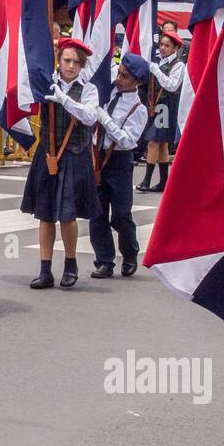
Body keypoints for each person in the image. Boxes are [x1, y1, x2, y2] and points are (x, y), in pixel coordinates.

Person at [21, 38, 100, 289]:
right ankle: (45, 270)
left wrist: (64, 99)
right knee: (44, 214)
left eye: (76, 62)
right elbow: (23, 93)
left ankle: (70, 263)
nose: (70, 66)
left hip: (74, 154)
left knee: (67, 214)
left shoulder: (88, 89)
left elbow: (89, 117)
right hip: (48, 153)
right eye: (67, 60)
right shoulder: (47, 81)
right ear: (58, 60)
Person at [89, 53, 150, 279]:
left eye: (124, 76)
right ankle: (104, 260)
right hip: (97, 156)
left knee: (122, 214)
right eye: (119, 73)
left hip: (119, 161)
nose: (118, 79)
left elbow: (127, 140)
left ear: (137, 81)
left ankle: (130, 253)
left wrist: (104, 118)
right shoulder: (107, 92)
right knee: (97, 212)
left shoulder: (139, 108)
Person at [137, 29, 185, 192]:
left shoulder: (178, 65)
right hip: (156, 106)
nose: (163, 48)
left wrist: (157, 72)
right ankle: (164, 181)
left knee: (153, 141)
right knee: (162, 144)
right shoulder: (160, 62)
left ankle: (147, 180)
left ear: (175, 48)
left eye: (167, 45)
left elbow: (172, 86)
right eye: (161, 44)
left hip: (167, 106)